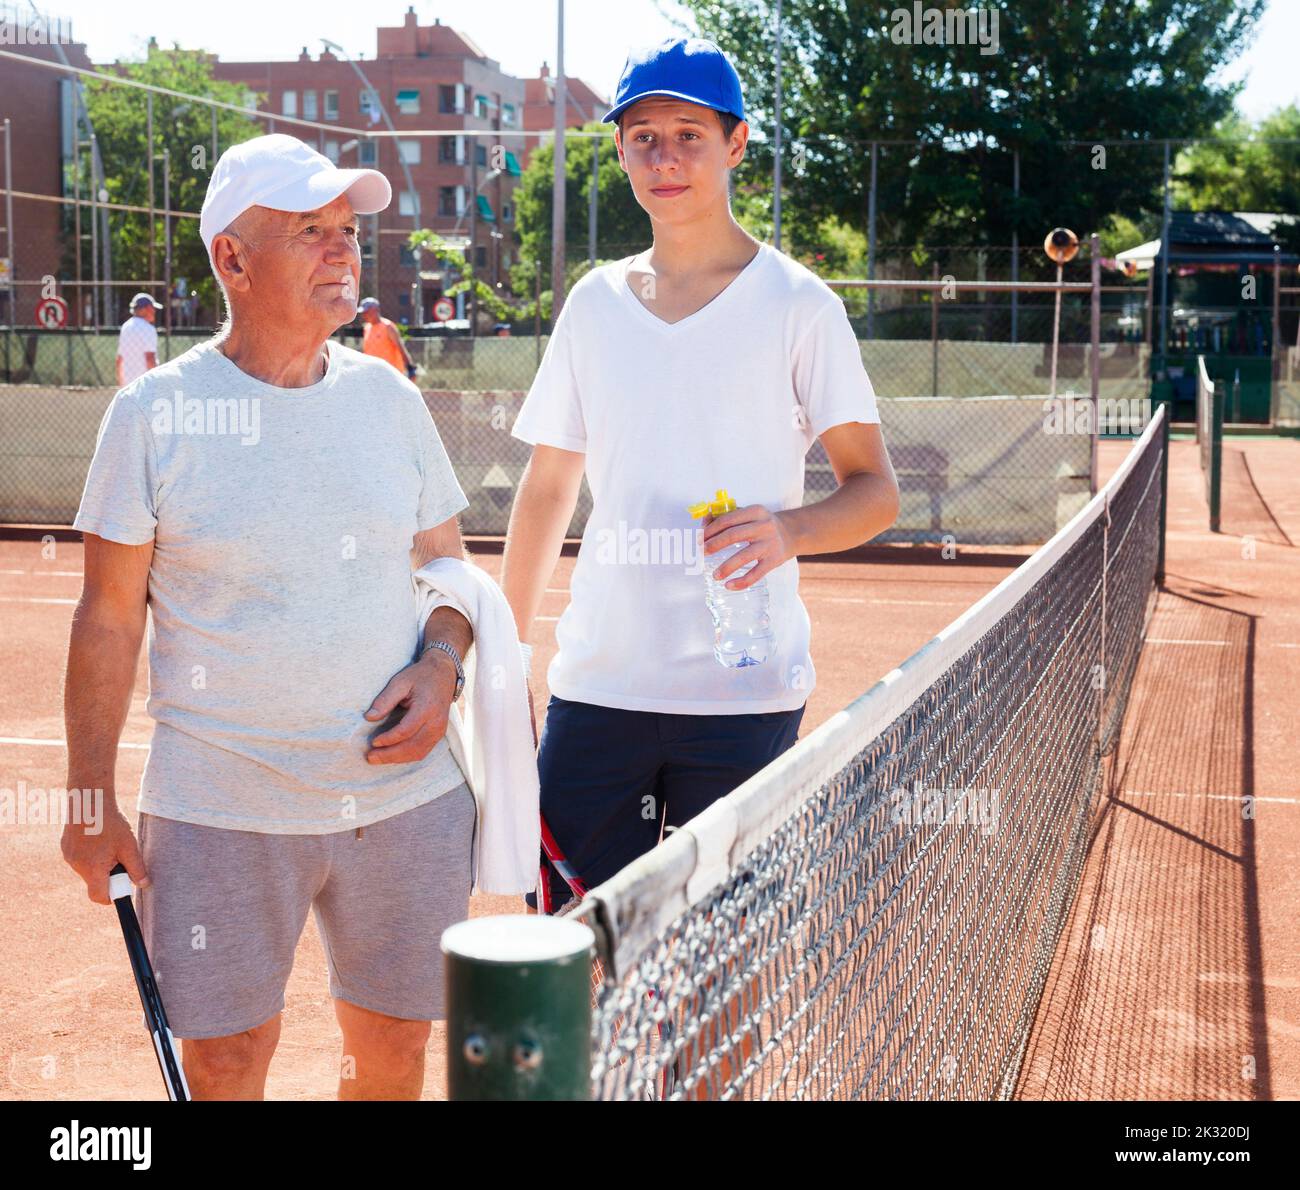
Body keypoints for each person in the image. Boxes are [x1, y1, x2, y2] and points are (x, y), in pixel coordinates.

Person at [61, 133, 479, 1101]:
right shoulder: (153, 414)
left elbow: (451, 571)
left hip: (402, 799)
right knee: (223, 1061)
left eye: (348, 230)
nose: (344, 249)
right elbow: (108, 620)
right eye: (311, 231)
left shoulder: (390, 399)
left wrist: (442, 662)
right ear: (232, 260)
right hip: (220, 804)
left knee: (392, 1049)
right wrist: (89, 794)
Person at [501, 37, 900, 913]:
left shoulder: (800, 305)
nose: (665, 156)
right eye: (643, 136)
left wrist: (792, 530)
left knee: (724, 976)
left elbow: (875, 489)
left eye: (688, 132)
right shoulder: (595, 303)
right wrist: (508, 649)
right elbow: (548, 489)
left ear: (737, 144)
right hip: (595, 693)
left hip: (743, 703)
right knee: (570, 953)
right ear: (618, 152)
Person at [360, 296, 418, 379]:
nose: (364, 315)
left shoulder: (388, 326)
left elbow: (401, 348)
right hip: (373, 373)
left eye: (366, 311)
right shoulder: (367, 328)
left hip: (390, 374)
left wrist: (410, 367)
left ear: (375, 309)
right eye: (363, 312)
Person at [115, 293, 161, 386]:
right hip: (144, 384)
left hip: (128, 385)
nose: (154, 311)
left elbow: (119, 359)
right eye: (152, 308)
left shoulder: (125, 327)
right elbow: (150, 358)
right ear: (146, 308)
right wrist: (156, 383)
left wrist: (121, 383)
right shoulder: (148, 329)